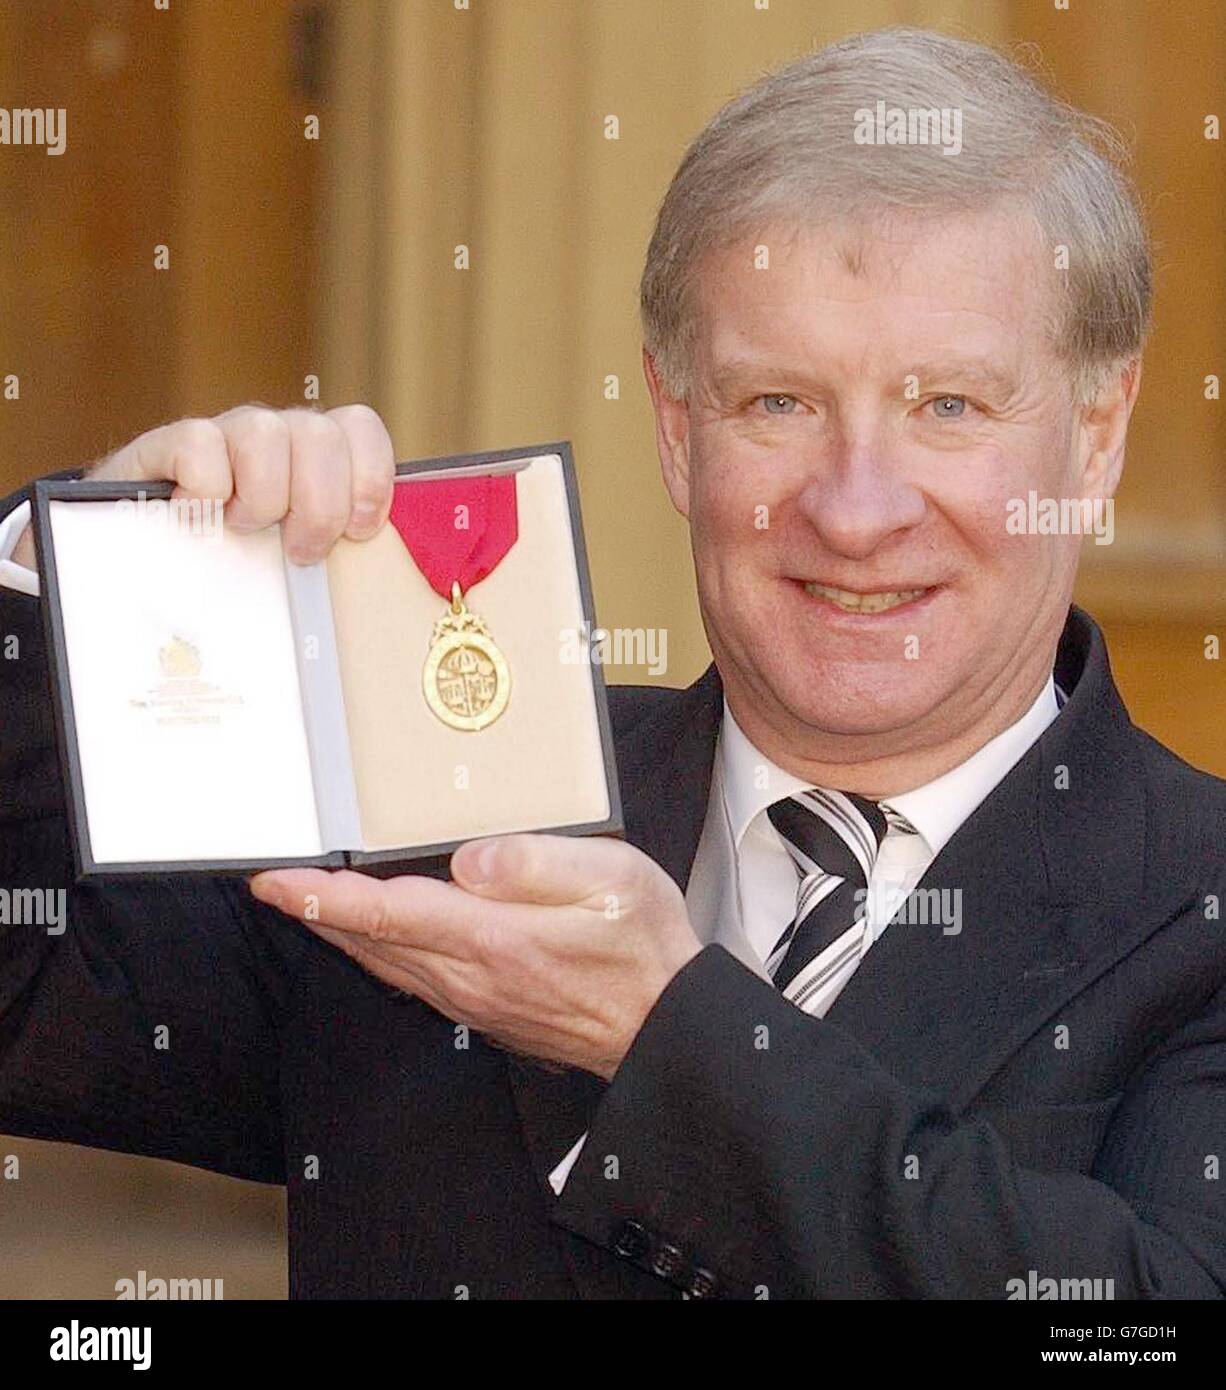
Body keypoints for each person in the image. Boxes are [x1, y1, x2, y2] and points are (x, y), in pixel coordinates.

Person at [1, 26, 1224, 1300]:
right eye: (777, 404)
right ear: (677, 431)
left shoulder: (1198, 907)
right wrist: (72, 577)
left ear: (1093, 439)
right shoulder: (442, 801)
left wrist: (665, 1036)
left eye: (948, 409)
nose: (855, 510)